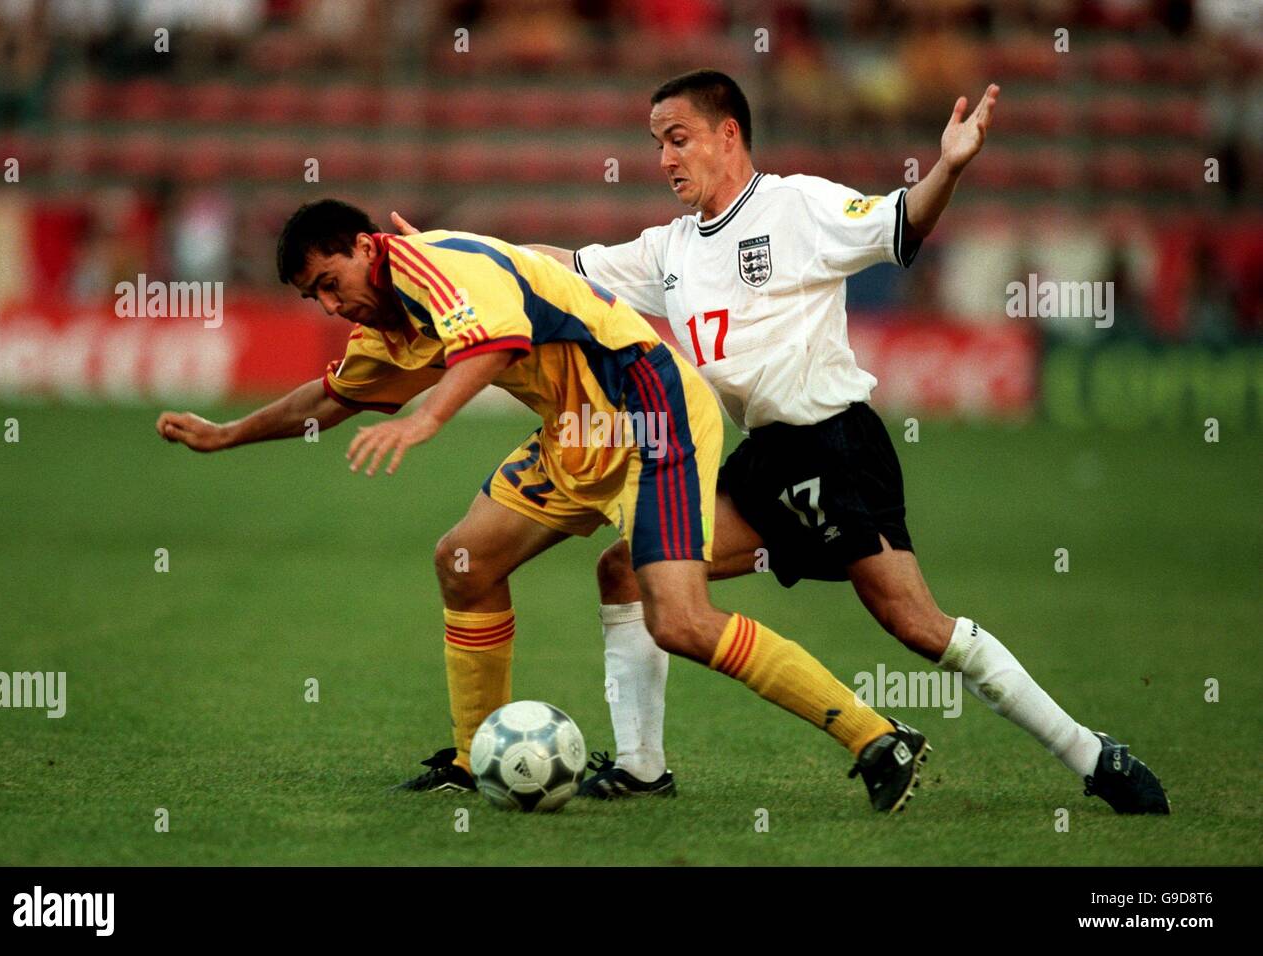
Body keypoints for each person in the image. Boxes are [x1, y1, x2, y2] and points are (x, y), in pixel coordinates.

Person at [391, 69, 1168, 814]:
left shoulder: (797, 206)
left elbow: (903, 221)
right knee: (628, 571)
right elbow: (562, 269)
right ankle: (639, 769)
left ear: (729, 135)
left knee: (917, 626)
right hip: (764, 458)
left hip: (834, 449)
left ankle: (1094, 757)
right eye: (657, 142)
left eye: (678, 137)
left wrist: (949, 169)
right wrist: (451, 255)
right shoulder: (672, 248)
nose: (664, 157)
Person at [156, 199, 931, 813]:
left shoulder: (437, 265)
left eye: (330, 282)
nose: (329, 305)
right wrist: (226, 434)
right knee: (465, 562)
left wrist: (427, 417)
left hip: (645, 411)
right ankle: (471, 760)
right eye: (312, 297)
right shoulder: (389, 325)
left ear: (365, 246)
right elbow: (326, 402)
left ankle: (877, 738)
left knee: (680, 620)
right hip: (573, 432)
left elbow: (495, 343)